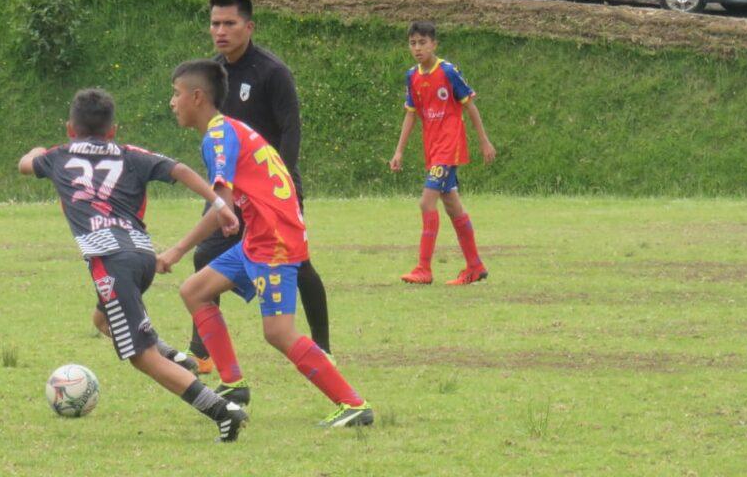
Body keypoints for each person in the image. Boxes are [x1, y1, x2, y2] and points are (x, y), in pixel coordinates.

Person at [18, 87, 248, 442]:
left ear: (69, 128)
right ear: (112, 130)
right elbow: (181, 169)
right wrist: (219, 205)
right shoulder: (130, 154)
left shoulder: (56, 157)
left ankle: (221, 410)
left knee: (141, 357)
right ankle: (179, 358)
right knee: (102, 319)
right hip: (142, 257)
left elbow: (25, 165)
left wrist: (36, 150)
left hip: (111, 263)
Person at [159, 60, 373, 428]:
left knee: (277, 332)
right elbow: (241, 193)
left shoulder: (217, 136)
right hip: (262, 234)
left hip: (273, 239)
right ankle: (233, 384)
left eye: (176, 94)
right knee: (194, 291)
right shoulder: (231, 128)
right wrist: (236, 214)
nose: (172, 102)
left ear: (197, 96)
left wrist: (177, 249)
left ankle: (353, 404)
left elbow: (220, 199)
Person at [187, 0, 332, 373]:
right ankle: (202, 353)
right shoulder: (213, 74)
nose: (221, 30)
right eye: (215, 23)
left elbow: (291, 131)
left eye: (230, 23)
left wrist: (278, 185)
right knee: (204, 255)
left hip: (275, 190)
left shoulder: (272, 72)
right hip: (231, 187)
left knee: (299, 266)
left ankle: (323, 345)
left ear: (249, 26)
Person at [388, 21, 496, 285]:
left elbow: (470, 106)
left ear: (434, 44)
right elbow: (411, 115)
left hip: (449, 147)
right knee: (451, 205)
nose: (417, 48)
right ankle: (475, 266)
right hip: (433, 148)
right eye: (413, 43)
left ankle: (424, 268)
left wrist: (484, 141)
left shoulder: (448, 72)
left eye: (422, 42)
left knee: (426, 202)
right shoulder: (412, 76)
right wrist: (399, 151)